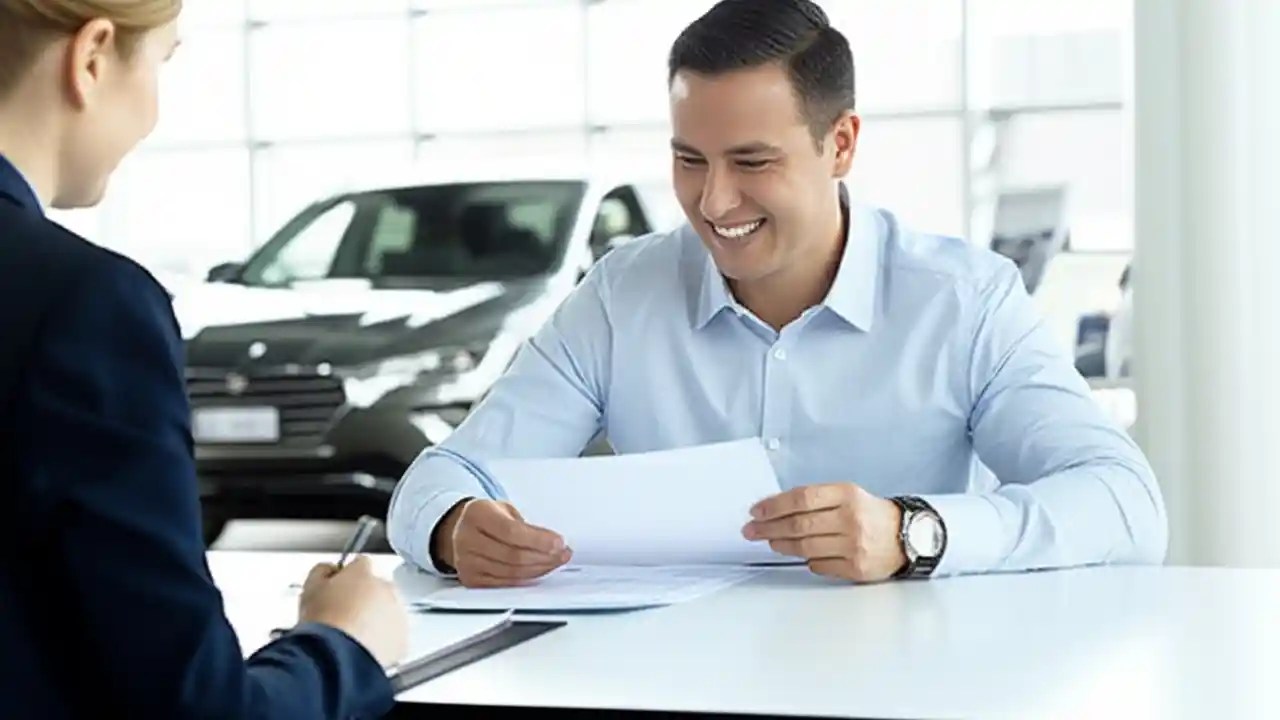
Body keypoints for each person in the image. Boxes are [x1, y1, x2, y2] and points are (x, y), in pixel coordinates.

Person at [386, 0, 1168, 588]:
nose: (714, 202)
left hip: (910, 685)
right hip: (668, 684)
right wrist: (458, 528)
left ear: (842, 145)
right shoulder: (624, 295)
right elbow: (440, 478)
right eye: (689, 159)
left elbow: (1126, 504)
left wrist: (915, 533)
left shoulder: (963, 301)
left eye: (752, 163)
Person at [0, 2, 408, 717]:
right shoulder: (82, 305)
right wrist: (345, 641)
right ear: (92, 57)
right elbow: (200, 710)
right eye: (163, 61)